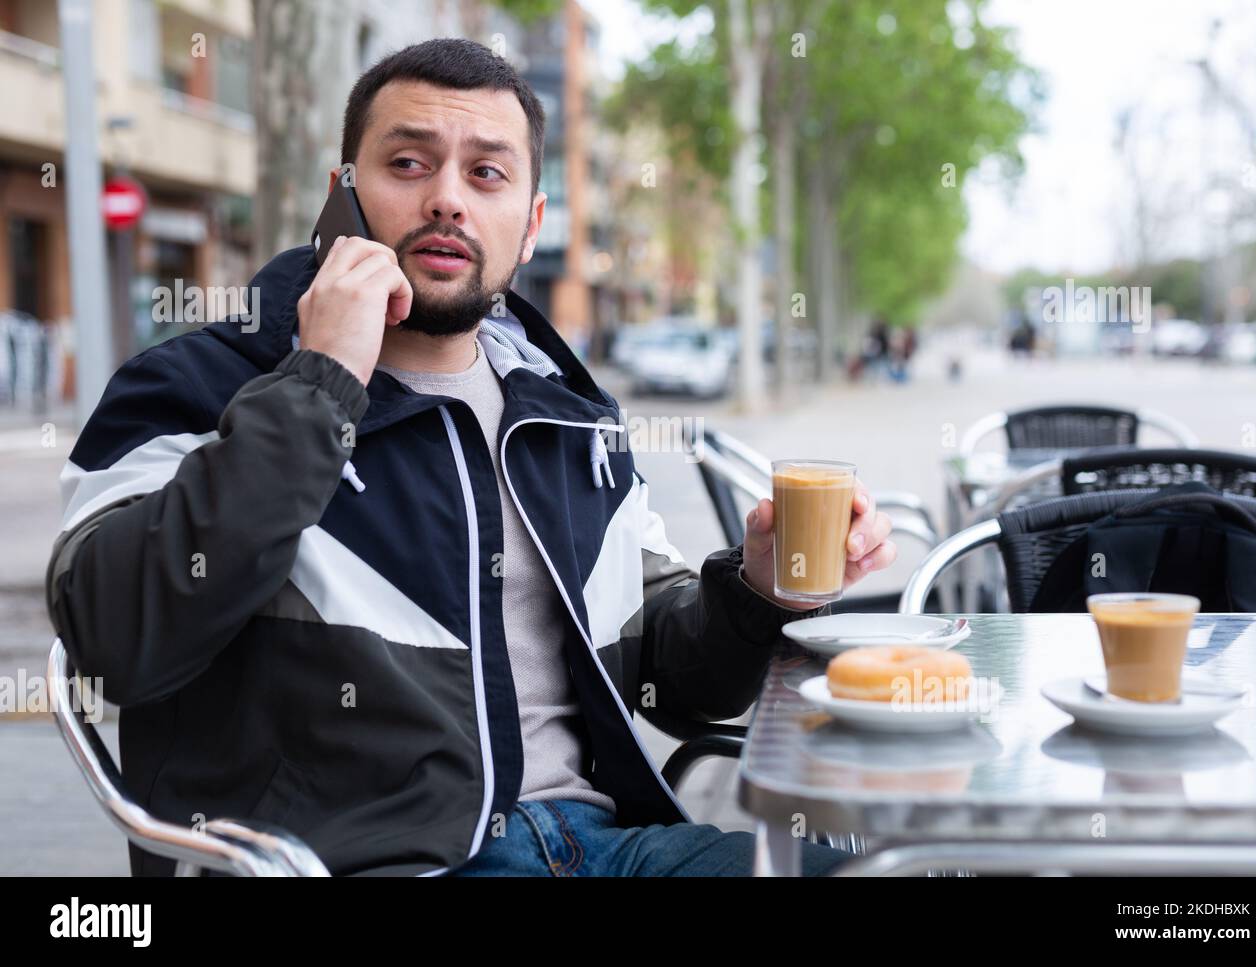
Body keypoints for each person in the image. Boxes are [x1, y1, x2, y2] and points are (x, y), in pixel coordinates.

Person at [45, 39, 896, 877]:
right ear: (342, 197)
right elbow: (116, 637)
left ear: (529, 227)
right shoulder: (196, 383)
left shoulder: (566, 413)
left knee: (894, 867)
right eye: (409, 164)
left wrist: (757, 586)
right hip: (370, 859)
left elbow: (669, 680)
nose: (448, 198)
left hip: (606, 845)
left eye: (486, 173)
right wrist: (321, 382)